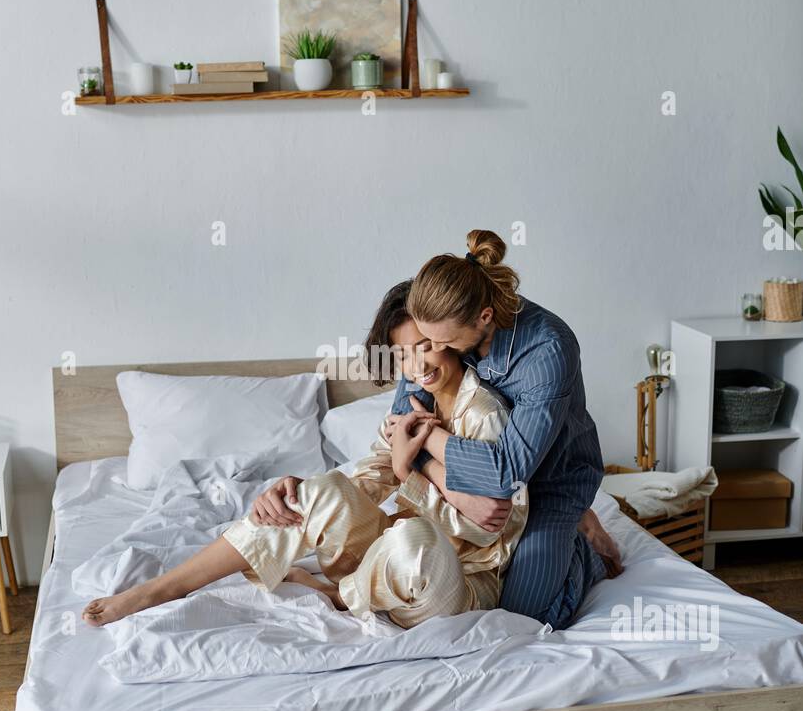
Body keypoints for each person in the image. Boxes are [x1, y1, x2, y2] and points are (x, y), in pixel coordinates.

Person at [82, 280, 528, 631]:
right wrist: (307, 495)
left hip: (453, 579)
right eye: (403, 355)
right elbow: (370, 477)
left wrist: (408, 472)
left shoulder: (483, 412)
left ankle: (334, 594)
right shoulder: (414, 403)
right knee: (316, 495)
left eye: (426, 346)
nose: (418, 366)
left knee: (414, 543)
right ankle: (164, 589)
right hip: (386, 561)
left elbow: (491, 529)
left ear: (447, 337)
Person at [382, 229, 621, 629]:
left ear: (484, 318)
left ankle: (582, 550)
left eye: (441, 342)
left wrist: (427, 441)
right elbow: (400, 422)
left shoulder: (548, 350)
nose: (430, 355)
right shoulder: (441, 325)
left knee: (518, 619)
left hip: (549, 483)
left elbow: (505, 473)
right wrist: (448, 484)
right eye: (423, 341)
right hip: (473, 482)